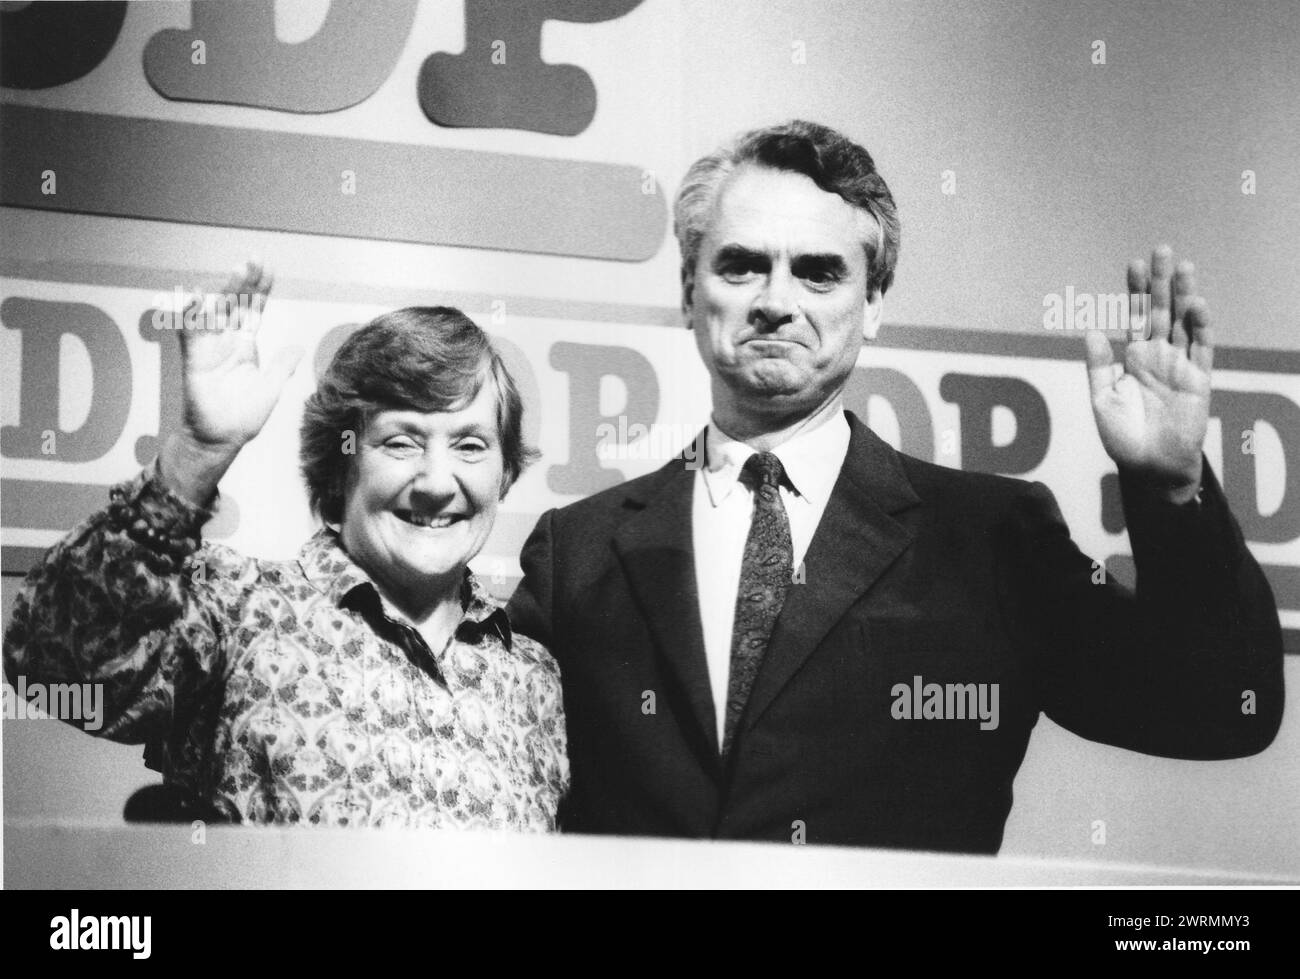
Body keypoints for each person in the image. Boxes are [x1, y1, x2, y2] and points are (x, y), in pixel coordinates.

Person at [506, 120, 1285, 852]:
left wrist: (1172, 491)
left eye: (818, 272)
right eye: (742, 263)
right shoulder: (574, 553)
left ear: (872, 303)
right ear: (688, 289)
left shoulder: (990, 538)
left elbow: (1217, 707)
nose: (777, 301)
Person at [4, 264, 568, 829]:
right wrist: (199, 452)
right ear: (340, 465)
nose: (438, 481)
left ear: (505, 473)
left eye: (471, 446)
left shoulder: (534, 680)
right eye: (400, 442)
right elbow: (54, 666)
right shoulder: (235, 608)